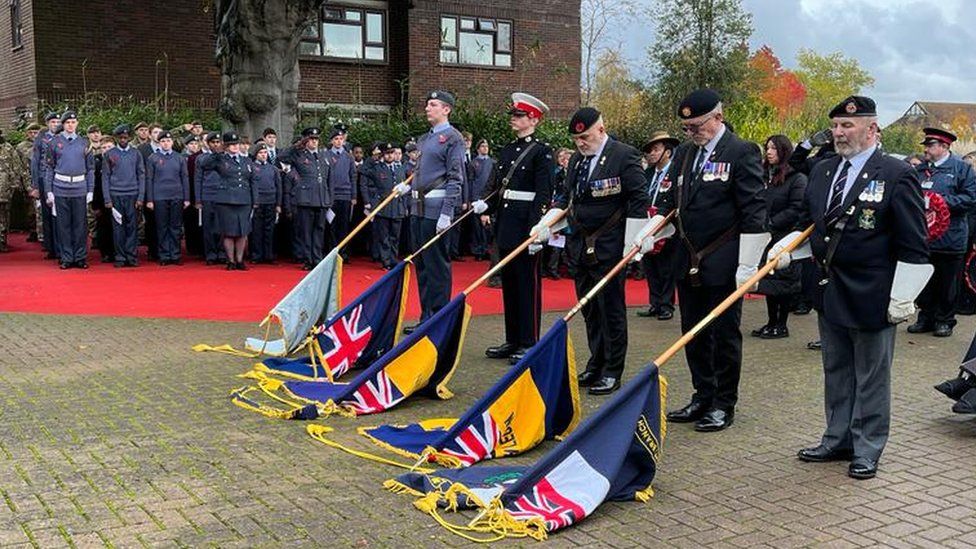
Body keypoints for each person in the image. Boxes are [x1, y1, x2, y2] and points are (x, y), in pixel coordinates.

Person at [772, 96, 930, 480]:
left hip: (875, 292)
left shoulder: (895, 173)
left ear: (872, 129)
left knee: (872, 375)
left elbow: (913, 241)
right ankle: (837, 438)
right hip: (830, 288)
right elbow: (817, 227)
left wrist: (904, 295)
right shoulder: (824, 171)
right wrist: (790, 247)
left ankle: (867, 447)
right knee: (836, 369)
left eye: (848, 126)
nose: (840, 133)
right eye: (837, 127)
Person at [655, 89, 768, 431]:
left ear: (718, 117)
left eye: (696, 126)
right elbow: (671, 201)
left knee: (723, 334)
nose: (690, 133)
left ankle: (723, 402)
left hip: (724, 259)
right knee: (693, 331)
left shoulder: (741, 151)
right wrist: (652, 229)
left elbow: (754, 210)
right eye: (686, 127)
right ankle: (702, 394)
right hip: (687, 257)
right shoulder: (686, 153)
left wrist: (749, 264)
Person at [533, 107, 649, 395]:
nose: (581, 143)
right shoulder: (576, 162)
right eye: (576, 139)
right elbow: (566, 197)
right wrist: (547, 223)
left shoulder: (624, 155)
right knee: (589, 310)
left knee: (610, 311)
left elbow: (638, 199)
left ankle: (613, 370)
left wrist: (632, 244)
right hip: (580, 245)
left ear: (601, 128)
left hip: (611, 246)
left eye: (585, 137)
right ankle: (596, 362)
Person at [474, 93, 554, 365]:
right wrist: (486, 205)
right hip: (507, 226)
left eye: (518, 115)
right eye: (513, 115)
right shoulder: (508, 149)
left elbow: (544, 194)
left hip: (526, 227)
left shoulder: (542, 152)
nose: (513, 119)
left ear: (533, 119)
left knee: (527, 285)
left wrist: (537, 228)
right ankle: (513, 338)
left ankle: (529, 340)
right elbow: (501, 187)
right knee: (510, 285)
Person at [397, 90, 465, 334]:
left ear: (446, 109)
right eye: (427, 104)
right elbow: (422, 172)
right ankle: (426, 316)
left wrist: (447, 213)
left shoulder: (453, 138)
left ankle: (438, 318)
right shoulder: (425, 139)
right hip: (417, 208)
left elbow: (455, 178)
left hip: (436, 210)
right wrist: (407, 186)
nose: (428, 108)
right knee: (422, 265)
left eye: (433, 104)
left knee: (437, 266)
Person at [906, 128, 976, 337]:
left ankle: (944, 320)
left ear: (944, 147)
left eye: (930, 145)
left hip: (950, 237)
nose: (926, 149)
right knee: (924, 281)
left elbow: (971, 199)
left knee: (947, 283)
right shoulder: (919, 171)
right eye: (926, 146)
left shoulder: (962, 169)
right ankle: (925, 317)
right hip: (923, 238)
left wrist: (941, 203)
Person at [750, 135, 807, 339]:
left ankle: (781, 324)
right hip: (766, 237)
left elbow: (796, 208)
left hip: (785, 237)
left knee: (783, 283)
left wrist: (772, 223)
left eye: (774, 148)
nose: (769, 151)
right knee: (769, 282)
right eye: (767, 148)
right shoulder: (765, 176)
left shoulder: (797, 178)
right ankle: (771, 322)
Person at [198, 132, 258, 270]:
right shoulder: (220, 159)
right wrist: (216, 153)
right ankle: (230, 261)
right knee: (228, 232)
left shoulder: (246, 160)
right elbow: (203, 164)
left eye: (236, 144)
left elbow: (253, 180)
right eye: (231, 145)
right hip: (226, 200)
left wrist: (255, 200)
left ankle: (240, 260)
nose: (235, 147)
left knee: (242, 232)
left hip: (244, 200)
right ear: (226, 146)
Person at [637, 131, 679, 321]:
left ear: (667, 152)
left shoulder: (675, 171)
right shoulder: (647, 174)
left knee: (666, 267)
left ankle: (666, 305)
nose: (652, 154)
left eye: (656, 150)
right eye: (649, 151)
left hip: (668, 226)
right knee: (650, 266)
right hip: (648, 223)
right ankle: (655, 303)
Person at [45, 111, 95, 269]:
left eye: (73, 123)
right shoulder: (54, 142)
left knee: (80, 225)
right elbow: (49, 168)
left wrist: (90, 190)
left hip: (80, 187)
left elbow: (91, 168)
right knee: (63, 225)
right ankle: (67, 257)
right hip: (60, 187)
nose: (70, 125)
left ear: (77, 124)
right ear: (63, 125)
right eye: (67, 123)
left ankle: (80, 257)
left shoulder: (84, 143)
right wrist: (49, 190)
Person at [280, 127, 332, 270]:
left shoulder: (323, 155)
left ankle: (317, 258)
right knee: (306, 231)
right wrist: (296, 146)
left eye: (316, 139)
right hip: (306, 199)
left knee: (319, 230)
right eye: (311, 139)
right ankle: (308, 259)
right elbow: (281, 158)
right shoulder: (298, 155)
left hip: (321, 198)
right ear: (305, 140)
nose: (314, 142)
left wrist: (329, 199)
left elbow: (329, 180)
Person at [102, 125, 145, 267]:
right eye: (120, 137)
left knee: (132, 227)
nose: (123, 140)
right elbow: (106, 177)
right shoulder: (110, 154)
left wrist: (140, 197)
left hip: (132, 194)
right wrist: (107, 198)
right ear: (116, 138)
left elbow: (141, 175)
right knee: (118, 228)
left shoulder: (135, 153)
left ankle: (131, 256)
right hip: (116, 195)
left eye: (125, 137)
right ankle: (120, 257)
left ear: (129, 138)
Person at [146, 131, 190, 265]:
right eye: (163, 141)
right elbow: (149, 179)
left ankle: (175, 254)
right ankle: (164, 255)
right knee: (162, 226)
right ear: (159, 143)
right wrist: (149, 199)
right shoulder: (153, 158)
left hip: (176, 195)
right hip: (159, 196)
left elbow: (185, 177)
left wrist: (186, 198)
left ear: (172, 143)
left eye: (168, 141)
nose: (166, 143)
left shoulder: (179, 158)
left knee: (175, 226)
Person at [364, 142, 408, 270]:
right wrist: (373, 158)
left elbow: (407, 186)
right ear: (383, 155)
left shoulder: (401, 168)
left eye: (392, 153)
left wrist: (405, 205)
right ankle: (386, 261)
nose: (390, 156)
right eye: (387, 153)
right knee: (384, 237)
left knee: (395, 236)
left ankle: (393, 260)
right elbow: (363, 170)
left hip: (397, 207)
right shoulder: (377, 168)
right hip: (383, 207)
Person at [325, 128, 357, 259]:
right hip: (332, 195)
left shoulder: (349, 157)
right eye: (336, 139)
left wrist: (354, 195)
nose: (339, 141)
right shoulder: (326, 155)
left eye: (341, 139)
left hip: (346, 195)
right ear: (332, 141)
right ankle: (331, 253)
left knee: (344, 225)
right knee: (331, 225)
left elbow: (353, 176)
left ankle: (343, 252)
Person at [32, 113, 61, 258]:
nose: (55, 124)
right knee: (48, 214)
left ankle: (62, 246)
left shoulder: (62, 137)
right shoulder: (41, 139)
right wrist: (36, 185)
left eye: (57, 121)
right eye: (53, 121)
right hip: (45, 179)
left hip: (61, 180)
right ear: (48, 123)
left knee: (60, 214)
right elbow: (35, 162)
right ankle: (50, 247)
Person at [249, 143, 282, 263]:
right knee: (257, 230)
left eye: (265, 153)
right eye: (261, 153)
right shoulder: (252, 167)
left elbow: (279, 187)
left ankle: (269, 255)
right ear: (256, 155)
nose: (263, 155)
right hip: (257, 203)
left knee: (270, 230)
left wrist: (278, 204)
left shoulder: (273, 168)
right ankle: (256, 255)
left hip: (271, 201)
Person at [195, 132, 225, 264]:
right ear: (208, 144)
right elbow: (198, 179)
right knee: (208, 227)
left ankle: (222, 252)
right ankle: (210, 254)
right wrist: (198, 199)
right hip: (207, 195)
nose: (216, 145)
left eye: (218, 142)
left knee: (221, 226)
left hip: (222, 195)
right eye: (213, 142)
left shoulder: (225, 158)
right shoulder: (202, 158)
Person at [467, 139, 494, 260]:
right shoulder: (473, 163)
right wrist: (470, 199)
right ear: (478, 149)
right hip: (476, 198)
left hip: (489, 198)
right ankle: (478, 251)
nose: (485, 148)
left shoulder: (493, 163)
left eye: (486, 146)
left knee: (487, 226)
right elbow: (470, 182)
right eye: (482, 146)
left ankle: (486, 249)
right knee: (477, 227)